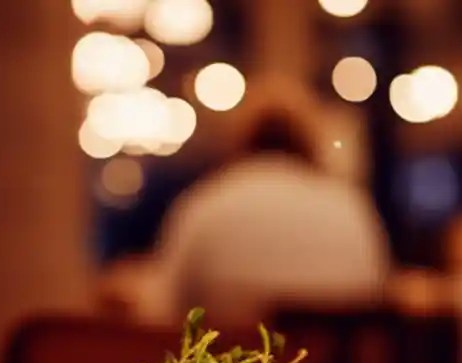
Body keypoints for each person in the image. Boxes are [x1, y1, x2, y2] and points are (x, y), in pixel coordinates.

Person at [140, 79, 391, 326]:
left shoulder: (208, 202)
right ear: (311, 141)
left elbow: (166, 306)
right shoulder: (349, 206)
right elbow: (378, 288)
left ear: (240, 137)